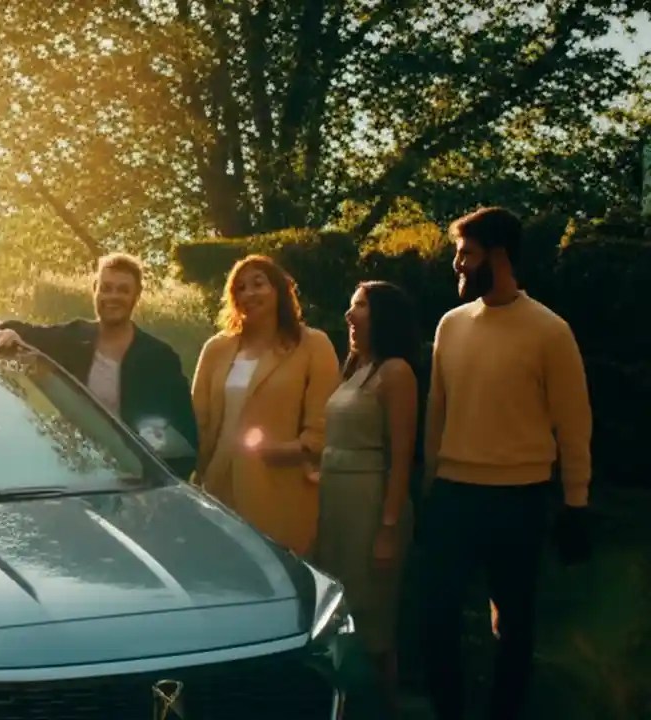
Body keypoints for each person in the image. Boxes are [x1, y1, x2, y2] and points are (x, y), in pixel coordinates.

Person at [421, 207, 592, 720]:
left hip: (519, 498)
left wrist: (576, 504)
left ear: (498, 256)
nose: (457, 264)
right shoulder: (450, 326)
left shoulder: (549, 331)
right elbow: (437, 414)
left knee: (512, 624)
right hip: (454, 492)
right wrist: (428, 489)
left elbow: (573, 423)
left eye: (465, 254)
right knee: (436, 617)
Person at [0, 252, 198, 475]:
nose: (112, 296)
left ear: (137, 295)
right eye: (106, 288)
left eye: (123, 290)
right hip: (74, 473)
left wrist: (163, 489)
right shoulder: (74, 338)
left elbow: (184, 436)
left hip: (136, 480)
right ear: (95, 290)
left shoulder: (159, 358)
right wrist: (9, 331)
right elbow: (30, 334)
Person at [315, 281, 420, 716]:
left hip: (371, 504)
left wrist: (388, 528)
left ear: (382, 315)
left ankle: (384, 709)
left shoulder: (396, 372)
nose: (349, 315)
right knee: (342, 617)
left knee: (373, 622)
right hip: (336, 504)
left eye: (359, 306)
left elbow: (402, 457)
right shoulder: (356, 367)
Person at [190, 254, 339, 557]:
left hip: (281, 489)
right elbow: (198, 419)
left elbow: (322, 427)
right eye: (240, 288)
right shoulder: (217, 348)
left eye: (258, 284)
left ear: (279, 291)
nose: (248, 294)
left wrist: (278, 452)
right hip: (218, 486)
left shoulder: (312, 344)